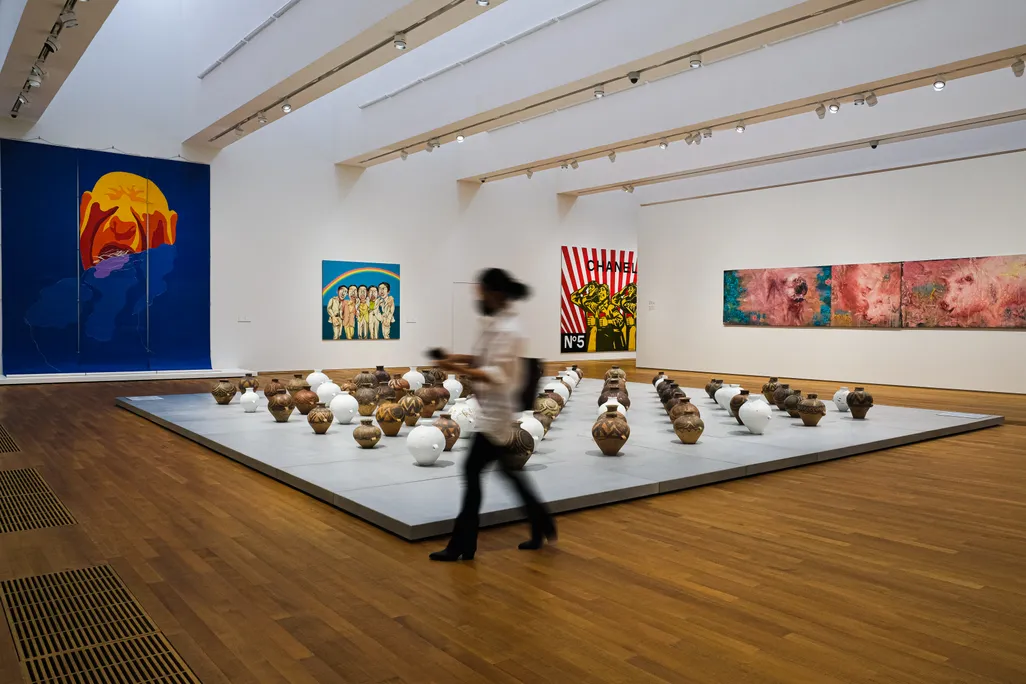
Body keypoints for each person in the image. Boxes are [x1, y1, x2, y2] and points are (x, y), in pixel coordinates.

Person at [429, 268, 556, 562]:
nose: (479, 297)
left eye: (482, 292)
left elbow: (496, 373)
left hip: (497, 412)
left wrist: (457, 368)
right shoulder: (497, 323)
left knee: (473, 472)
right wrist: (454, 359)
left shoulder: (510, 330)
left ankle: (461, 544)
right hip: (490, 409)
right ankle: (541, 523)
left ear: (496, 294)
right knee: (507, 472)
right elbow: (484, 359)